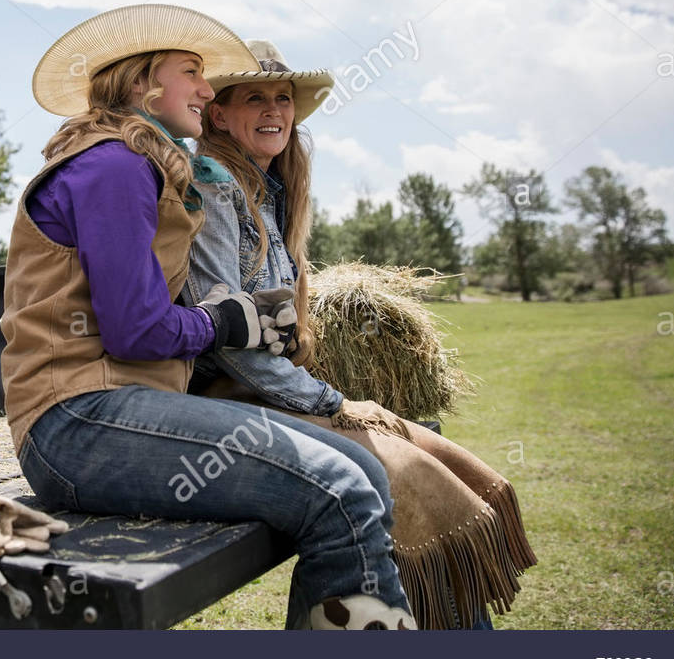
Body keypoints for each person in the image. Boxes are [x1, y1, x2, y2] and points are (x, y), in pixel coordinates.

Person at [1, 4, 417, 629]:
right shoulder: (113, 166)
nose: (204, 88)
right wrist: (228, 322)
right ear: (143, 83)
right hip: (77, 421)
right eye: (192, 72)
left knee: (361, 470)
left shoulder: (135, 162)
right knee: (342, 489)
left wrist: (232, 318)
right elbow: (135, 331)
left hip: (114, 411)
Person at [185, 38, 537, 629]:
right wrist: (333, 402)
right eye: (254, 98)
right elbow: (229, 333)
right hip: (225, 396)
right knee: (391, 474)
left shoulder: (270, 193)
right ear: (218, 114)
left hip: (265, 390)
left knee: (432, 456)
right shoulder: (216, 185)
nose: (274, 110)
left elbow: (269, 324)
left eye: (282, 98)